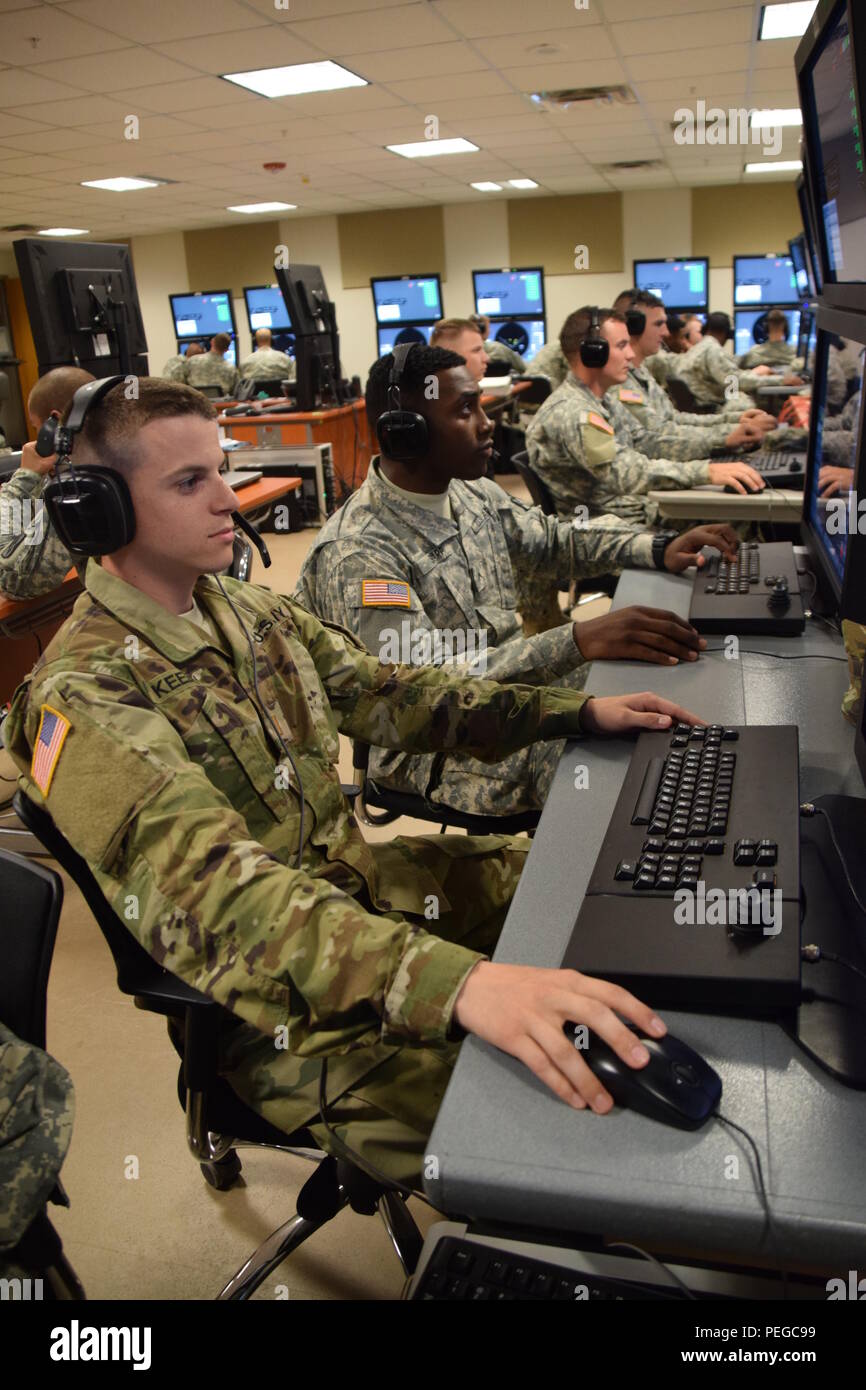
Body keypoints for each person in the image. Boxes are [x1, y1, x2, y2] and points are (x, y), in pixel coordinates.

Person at [3, 376, 698, 1188]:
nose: (228, 498)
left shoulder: (243, 609)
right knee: (579, 1155)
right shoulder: (83, 696)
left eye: (219, 469)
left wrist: (572, 713)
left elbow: (392, 695)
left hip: (365, 892)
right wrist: (463, 984)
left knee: (605, 882)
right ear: (99, 511)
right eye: (189, 482)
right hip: (277, 1011)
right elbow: (224, 887)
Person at [295, 345, 740, 818]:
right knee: (602, 762)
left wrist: (654, 548)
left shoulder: (471, 493)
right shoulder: (358, 551)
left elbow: (553, 541)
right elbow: (421, 693)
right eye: (466, 410)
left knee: (655, 681)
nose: (487, 424)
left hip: (510, 696)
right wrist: (577, 640)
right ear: (404, 434)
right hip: (430, 742)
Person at [526, 308, 764, 526]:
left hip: (631, 510)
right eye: (621, 346)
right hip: (609, 529)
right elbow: (628, 473)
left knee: (741, 506)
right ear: (592, 354)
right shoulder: (575, 412)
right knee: (739, 517)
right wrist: (706, 472)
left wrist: (721, 442)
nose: (630, 354)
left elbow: (645, 442)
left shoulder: (600, 400)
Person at [612, 292, 774, 460]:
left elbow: (672, 419)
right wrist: (731, 429)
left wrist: (736, 420)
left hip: (698, 427)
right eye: (658, 324)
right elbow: (733, 381)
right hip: (709, 412)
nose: (666, 332)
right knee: (741, 401)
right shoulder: (711, 349)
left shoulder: (642, 370)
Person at [0, 366, 95, 600]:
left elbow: (15, 581)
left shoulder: (79, 484)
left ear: (55, 421)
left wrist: (23, 480)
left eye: (37, 428)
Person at [670, 311, 777, 412]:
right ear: (726, 333)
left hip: (700, 402)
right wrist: (779, 380)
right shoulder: (712, 349)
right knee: (748, 403)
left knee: (740, 396)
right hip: (709, 407)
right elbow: (736, 381)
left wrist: (752, 373)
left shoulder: (701, 347)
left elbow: (729, 371)